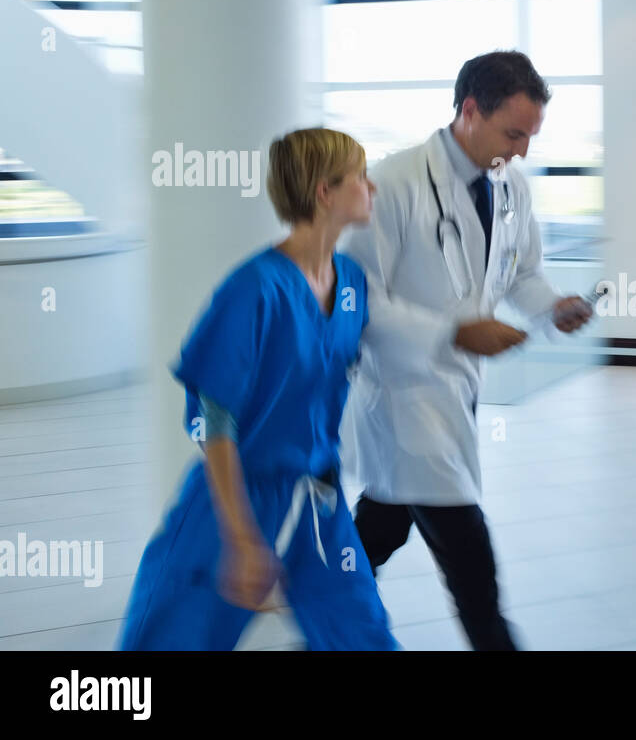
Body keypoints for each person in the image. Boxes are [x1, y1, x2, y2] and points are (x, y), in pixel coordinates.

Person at [340, 50, 594, 651]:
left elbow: (520, 274)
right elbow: (356, 300)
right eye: (514, 134)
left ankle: (325, 609)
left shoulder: (509, 188)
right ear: (470, 111)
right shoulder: (393, 184)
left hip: (456, 394)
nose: (523, 151)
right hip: (403, 395)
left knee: (383, 522)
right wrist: (452, 332)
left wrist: (553, 306)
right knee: (473, 571)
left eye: (531, 137)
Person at [119, 128, 398, 651]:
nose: (371, 187)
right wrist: (242, 538)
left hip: (318, 502)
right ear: (325, 192)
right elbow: (215, 421)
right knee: (168, 641)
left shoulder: (353, 283)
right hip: (233, 500)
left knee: (362, 632)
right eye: (360, 177)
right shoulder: (253, 290)